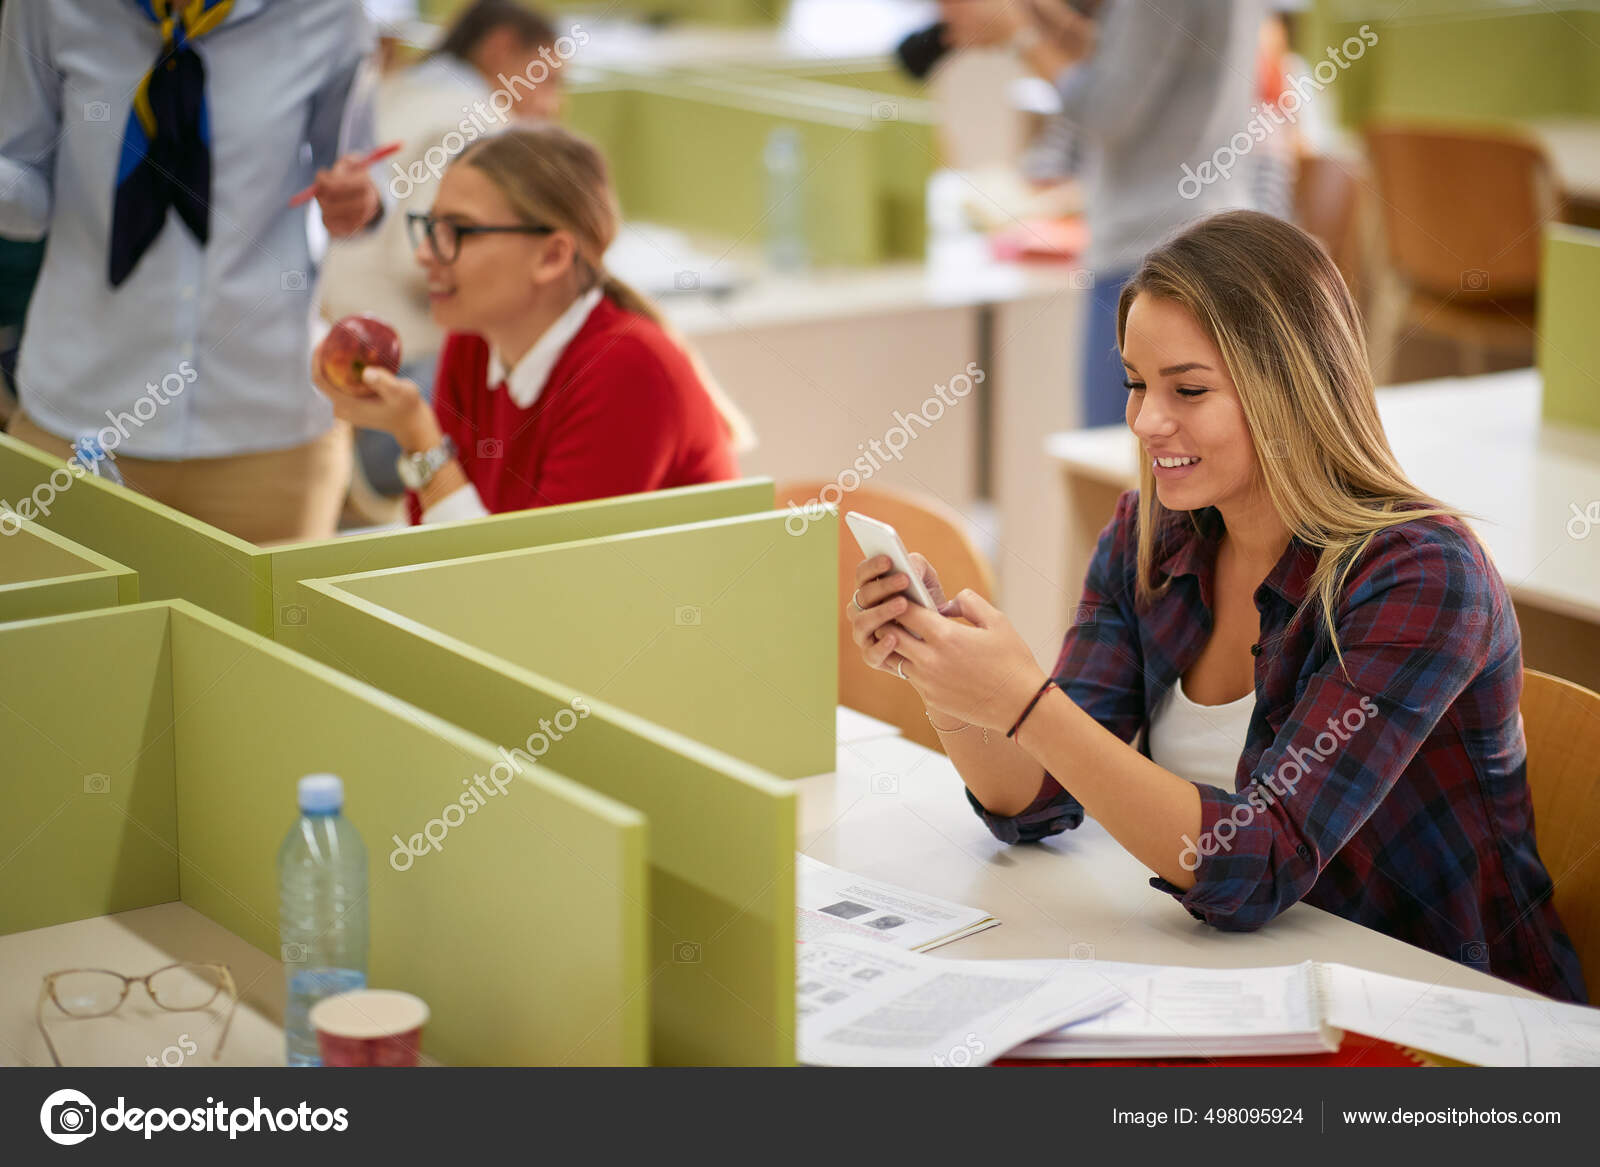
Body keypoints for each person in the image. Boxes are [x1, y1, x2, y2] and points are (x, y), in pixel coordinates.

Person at [848, 210, 1587, 1002]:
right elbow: (1037, 801)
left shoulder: (1421, 576)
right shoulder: (1152, 535)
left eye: (1189, 389)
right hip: (1242, 986)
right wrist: (950, 683)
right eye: (1136, 383)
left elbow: (1259, 862)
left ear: (1289, 390)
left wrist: (1026, 704)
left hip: (1444, 1008)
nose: (1145, 420)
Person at [0, 0, 385, 544]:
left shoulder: (328, 13)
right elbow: (26, 192)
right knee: (54, 602)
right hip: (78, 418)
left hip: (268, 434)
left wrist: (359, 200)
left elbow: (361, 172)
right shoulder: (46, 8)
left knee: (269, 605)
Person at [312, 124, 751, 523]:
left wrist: (419, 439)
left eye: (458, 231)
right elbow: (437, 545)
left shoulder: (629, 367)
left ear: (553, 256)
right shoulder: (474, 341)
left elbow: (530, 574)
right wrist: (417, 441)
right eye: (430, 226)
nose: (425, 253)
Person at [937, 0, 1265, 428]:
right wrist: (1047, 21)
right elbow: (1147, 66)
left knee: (1117, 445)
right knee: (1171, 448)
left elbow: (1106, 112)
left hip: (1148, 252)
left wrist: (1020, 36)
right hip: (1202, 231)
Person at [321, 0, 568, 511]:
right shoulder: (477, 119)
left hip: (338, 354)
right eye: (547, 78)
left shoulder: (398, 90)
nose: (552, 104)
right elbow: (423, 257)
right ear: (501, 48)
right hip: (402, 374)